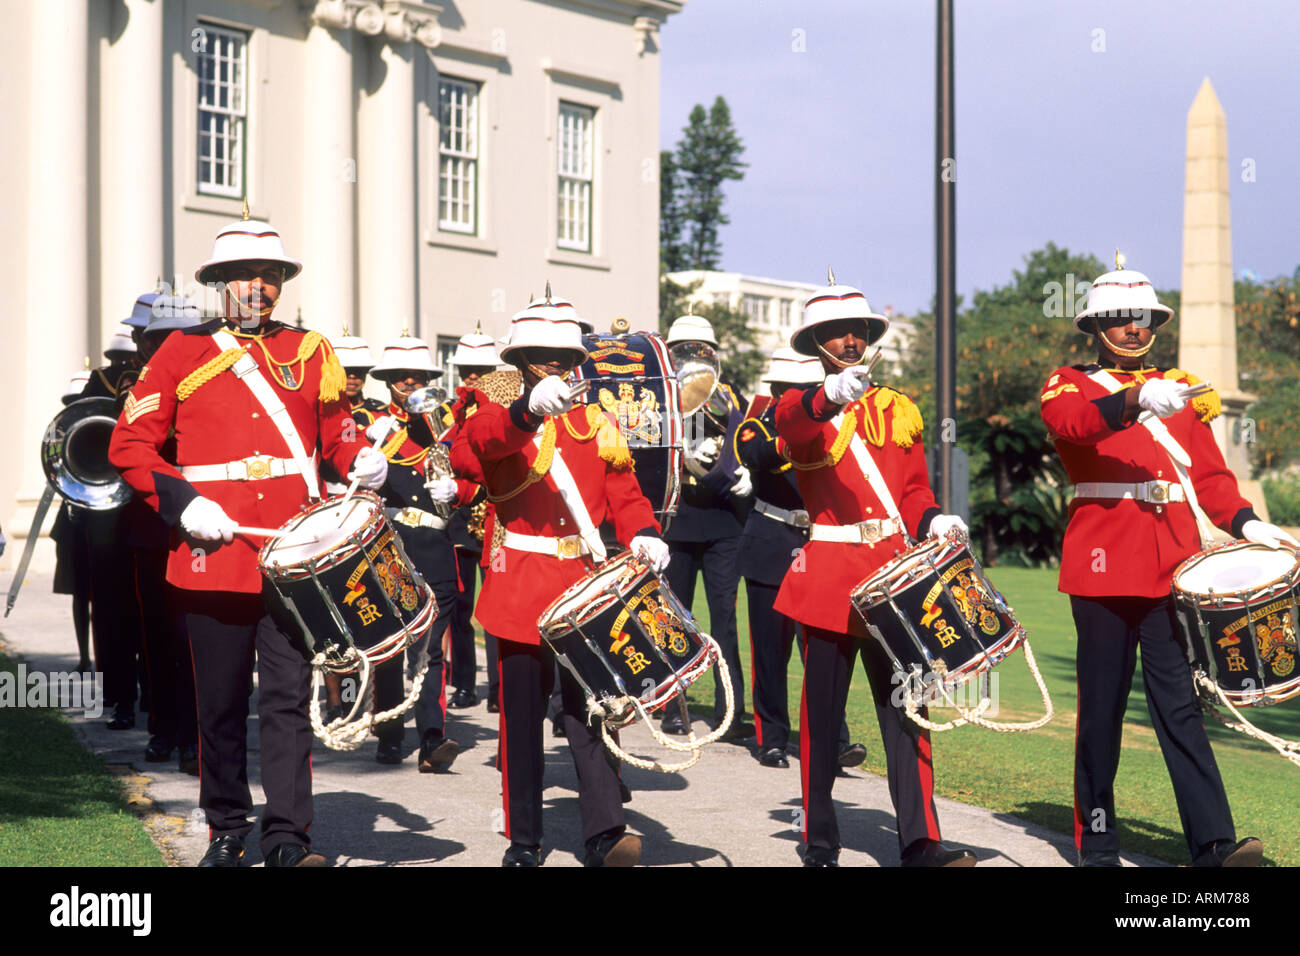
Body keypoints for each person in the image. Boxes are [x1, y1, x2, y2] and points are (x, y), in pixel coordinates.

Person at [109, 214, 388, 867]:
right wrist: (183, 503)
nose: (259, 288)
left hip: (292, 555)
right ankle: (228, 827)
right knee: (222, 702)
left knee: (289, 699)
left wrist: (360, 460)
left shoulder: (310, 348)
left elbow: (335, 432)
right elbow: (130, 444)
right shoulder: (181, 351)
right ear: (218, 284)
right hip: (213, 550)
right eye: (244, 277)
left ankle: (289, 836)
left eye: (270, 277)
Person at [1039, 260, 1286, 868]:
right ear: (1095, 326)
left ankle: (1212, 844)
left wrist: (1247, 522)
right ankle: (1096, 837)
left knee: (1180, 706)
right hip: (1102, 565)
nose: (1133, 328)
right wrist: (1135, 399)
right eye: (1120, 319)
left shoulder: (1184, 388)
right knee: (1101, 706)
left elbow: (1211, 478)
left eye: (1143, 318)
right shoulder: (1068, 382)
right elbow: (1069, 425)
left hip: (1173, 564)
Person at [450, 294, 670, 867]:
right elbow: (477, 452)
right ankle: (524, 838)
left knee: (593, 710)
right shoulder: (492, 405)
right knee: (521, 721)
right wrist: (527, 410)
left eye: (564, 356)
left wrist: (643, 530)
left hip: (582, 578)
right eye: (542, 355)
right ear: (521, 359)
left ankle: (605, 831)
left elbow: (625, 492)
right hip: (521, 576)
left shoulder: (596, 418)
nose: (556, 366)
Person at [773, 274, 975, 867]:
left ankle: (920, 840)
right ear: (817, 344)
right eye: (835, 335)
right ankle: (818, 836)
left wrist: (934, 518)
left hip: (893, 575)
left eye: (856, 332)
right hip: (831, 576)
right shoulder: (799, 402)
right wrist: (831, 395)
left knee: (909, 713)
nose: (849, 342)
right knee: (822, 717)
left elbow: (911, 489)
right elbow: (796, 428)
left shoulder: (898, 408)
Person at [735, 348, 866, 769]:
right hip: (772, 541)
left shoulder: (835, 424)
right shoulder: (756, 425)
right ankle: (772, 738)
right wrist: (800, 427)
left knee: (824, 651)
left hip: (819, 542)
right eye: (792, 390)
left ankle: (834, 738)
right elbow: (757, 455)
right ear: (776, 392)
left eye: (806, 389)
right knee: (771, 652)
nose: (800, 396)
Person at [360, 331, 469, 771]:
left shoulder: (447, 424)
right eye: (400, 378)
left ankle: (431, 739)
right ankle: (388, 732)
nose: (409, 384)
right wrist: (371, 450)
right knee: (389, 645)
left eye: (417, 376)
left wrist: (459, 489)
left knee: (430, 651)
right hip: (389, 546)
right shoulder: (374, 427)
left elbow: (473, 472)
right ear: (388, 382)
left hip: (434, 545)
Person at [659, 314, 754, 739]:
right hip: (678, 521)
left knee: (725, 620)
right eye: (686, 351)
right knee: (674, 619)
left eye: (701, 351)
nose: (694, 359)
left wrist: (747, 472)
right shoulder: (660, 400)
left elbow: (749, 444)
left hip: (722, 521)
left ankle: (729, 708)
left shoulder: (732, 399)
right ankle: (672, 707)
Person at [129, 293, 203, 774]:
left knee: (196, 638)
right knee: (156, 635)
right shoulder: (134, 391)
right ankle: (162, 726)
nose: (163, 348)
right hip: (148, 527)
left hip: (201, 522)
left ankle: (196, 737)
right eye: (155, 341)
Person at [83, 321, 146, 729]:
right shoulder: (100, 382)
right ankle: (121, 697)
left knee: (151, 617)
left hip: (147, 508)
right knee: (114, 613)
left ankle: (153, 701)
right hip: (109, 512)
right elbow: (84, 429)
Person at [443, 325, 500, 710]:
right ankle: (464, 682)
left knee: (496, 608)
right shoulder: (452, 412)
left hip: (498, 515)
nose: (473, 375)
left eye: (480, 368)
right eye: (467, 369)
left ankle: (498, 689)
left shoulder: (503, 409)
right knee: (461, 608)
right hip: (463, 517)